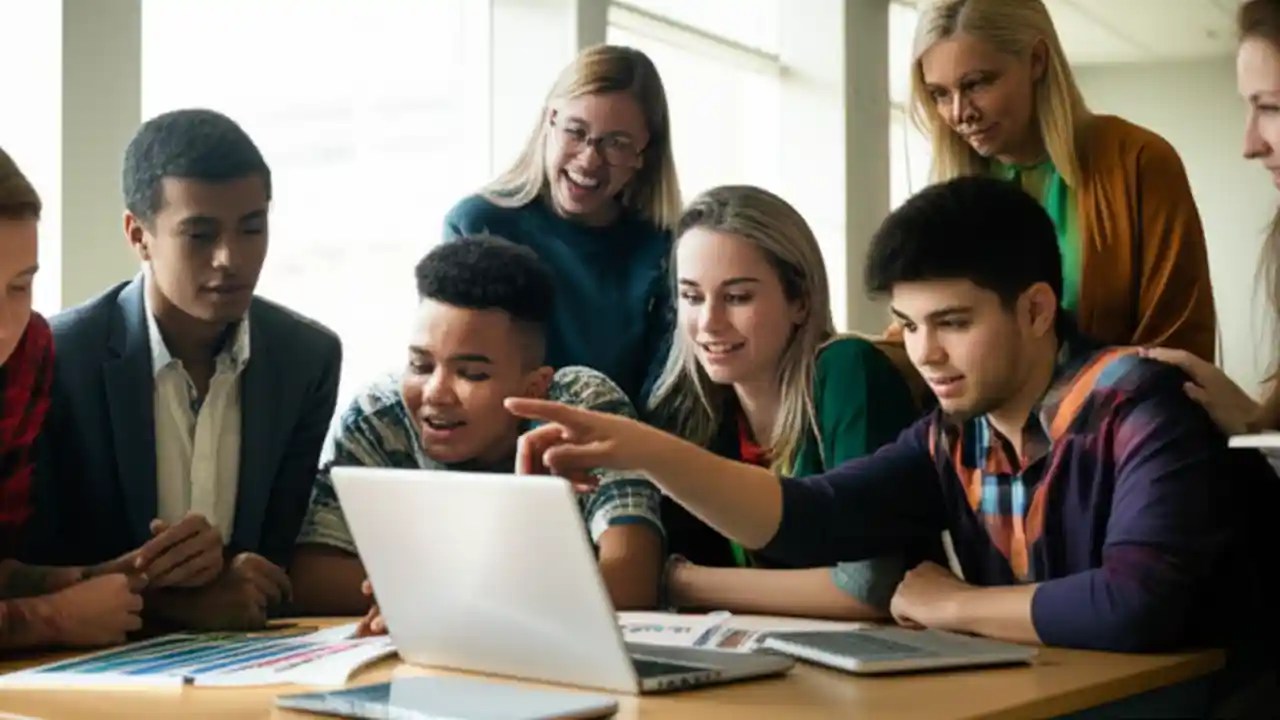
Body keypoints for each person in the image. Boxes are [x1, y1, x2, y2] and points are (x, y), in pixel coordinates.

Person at [507, 177, 1256, 673]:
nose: (925, 353)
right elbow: (812, 515)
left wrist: (953, 605)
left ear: (1034, 310)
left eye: (952, 323)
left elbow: (1139, 602)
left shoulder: (1139, 403)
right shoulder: (952, 434)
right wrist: (645, 452)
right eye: (909, 323)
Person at [26, 109, 343, 631]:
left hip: (247, 657)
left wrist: (237, 579)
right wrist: (170, 604)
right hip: (89, 659)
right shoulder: (57, 359)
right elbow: (27, 564)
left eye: (252, 228)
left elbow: (275, 559)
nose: (229, 258)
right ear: (138, 234)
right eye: (199, 235)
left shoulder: (307, 359)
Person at [290, 235, 663, 620]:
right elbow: (312, 577)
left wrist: (438, 597)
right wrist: (443, 596)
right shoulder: (379, 417)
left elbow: (630, 580)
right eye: (420, 366)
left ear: (533, 387)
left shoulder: (579, 410)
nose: (436, 393)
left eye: (471, 374)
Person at [644, 185, 920, 618]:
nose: (709, 323)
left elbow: (870, 587)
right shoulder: (691, 403)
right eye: (692, 297)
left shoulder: (847, 371)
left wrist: (682, 582)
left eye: (737, 297)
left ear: (801, 302)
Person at [903, 0, 1215, 360]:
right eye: (940, 94)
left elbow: (1177, 343)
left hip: (1124, 395)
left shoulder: (1139, 162)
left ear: (1037, 61)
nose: (960, 113)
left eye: (977, 83)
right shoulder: (953, 196)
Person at [444, 44, 681, 405]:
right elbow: (456, 371)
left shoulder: (664, 251)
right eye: (575, 131)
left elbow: (665, 400)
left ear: (643, 155)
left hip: (615, 435)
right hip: (496, 433)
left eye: (616, 143)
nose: (589, 160)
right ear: (550, 121)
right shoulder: (477, 226)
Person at [0, 147, 145, 650]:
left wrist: (88, 578)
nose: (4, 326)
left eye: (19, 287)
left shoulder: (26, 356)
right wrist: (50, 619)